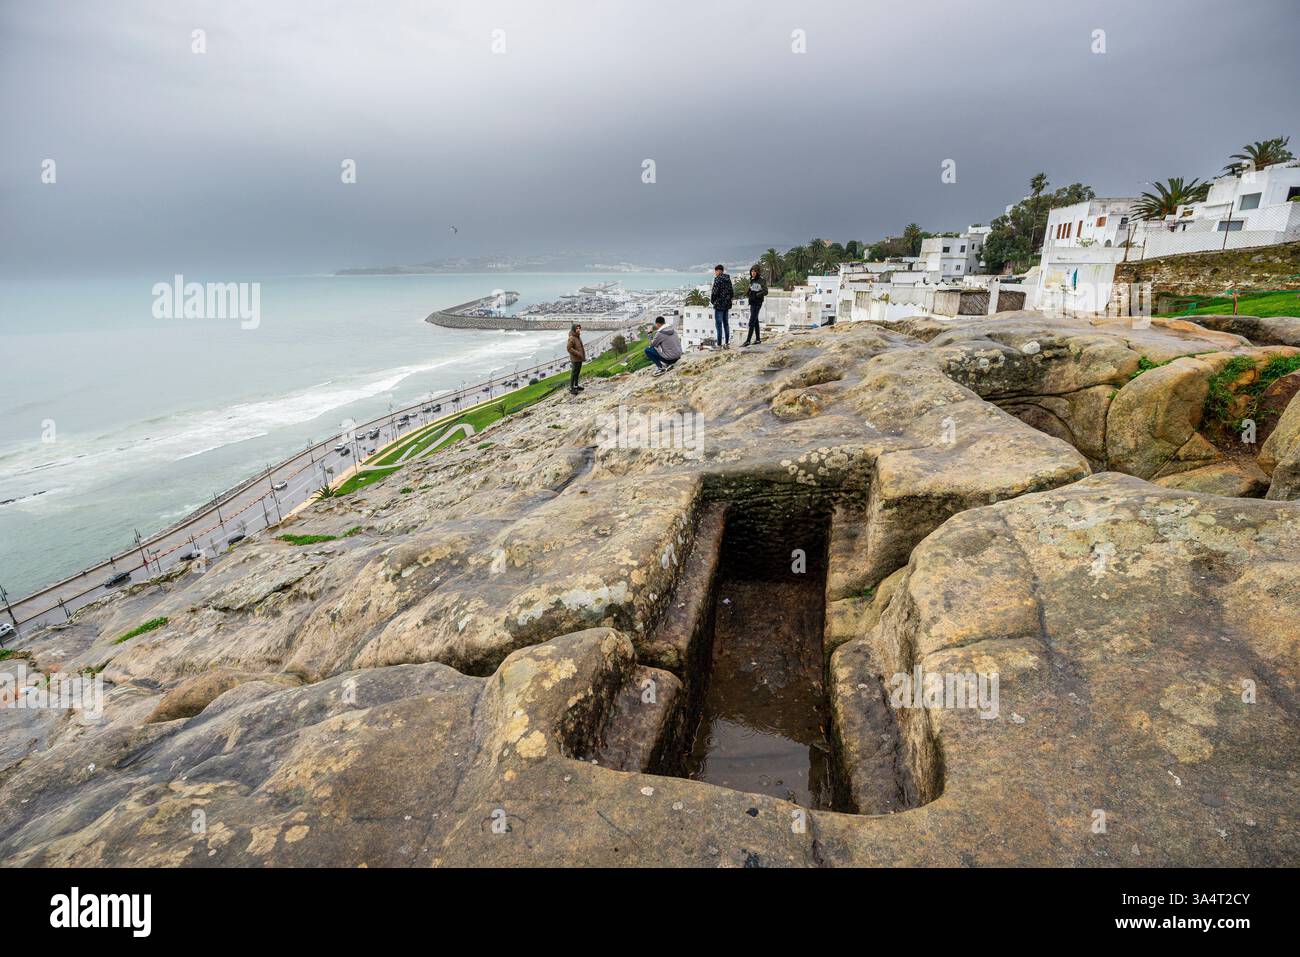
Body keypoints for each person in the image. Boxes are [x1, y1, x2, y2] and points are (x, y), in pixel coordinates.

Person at [710, 264, 733, 349]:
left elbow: (714, 293)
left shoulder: (718, 279)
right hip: (726, 305)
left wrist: (713, 301)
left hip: (719, 305)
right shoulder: (728, 279)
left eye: (715, 271)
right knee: (726, 324)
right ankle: (726, 344)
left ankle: (719, 345)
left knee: (719, 325)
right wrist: (728, 300)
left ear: (719, 271)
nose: (715, 273)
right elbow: (731, 292)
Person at [743, 265, 767, 346]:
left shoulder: (762, 280)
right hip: (752, 302)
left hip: (758, 303)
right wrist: (747, 293)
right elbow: (750, 289)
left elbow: (765, 291)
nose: (752, 273)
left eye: (754, 271)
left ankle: (748, 340)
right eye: (751, 271)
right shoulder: (752, 280)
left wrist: (757, 295)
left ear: (757, 272)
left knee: (751, 322)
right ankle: (758, 339)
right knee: (755, 321)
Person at [567, 323, 586, 395]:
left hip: (579, 358)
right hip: (575, 358)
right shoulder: (572, 337)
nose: (578, 329)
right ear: (574, 329)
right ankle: (571, 388)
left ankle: (576, 386)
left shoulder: (578, 336)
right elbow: (569, 348)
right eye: (577, 328)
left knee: (577, 372)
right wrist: (578, 353)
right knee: (574, 373)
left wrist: (581, 355)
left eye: (579, 328)